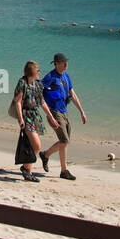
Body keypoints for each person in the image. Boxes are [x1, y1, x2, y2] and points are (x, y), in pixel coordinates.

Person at [39, 52, 86, 181]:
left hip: (64, 111)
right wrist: (47, 111)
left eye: (66, 62)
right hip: (54, 112)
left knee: (64, 143)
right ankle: (60, 167)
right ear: (57, 64)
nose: (66, 64)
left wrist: (81, 111)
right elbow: (38, 91)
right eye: (63, 62)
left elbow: (73, 94)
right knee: (64, 141)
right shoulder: (50, 77)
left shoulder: (66, 76)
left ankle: (49, 157)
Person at [12, 60, 60, 182]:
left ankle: (28, 171)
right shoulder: (22, 83)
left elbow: (42, 101)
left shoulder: (38, 84)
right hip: (26, 115)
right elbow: (17, 101)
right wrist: (21, 119)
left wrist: (50, 116)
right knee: (37, 145)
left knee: (32, 145)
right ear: (32, 71)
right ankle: (25, 168)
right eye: (38, 71)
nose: (39, 73)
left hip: (35, 115)